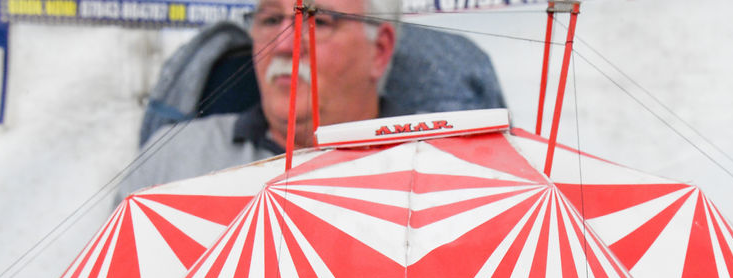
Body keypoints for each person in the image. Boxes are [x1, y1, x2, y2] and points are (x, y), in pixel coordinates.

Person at [116, 0, 505, 203]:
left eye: (317, 20)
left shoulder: (445, 177)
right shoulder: (170, 161)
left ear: (380, 51)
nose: (283, 44)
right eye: (270, 20)